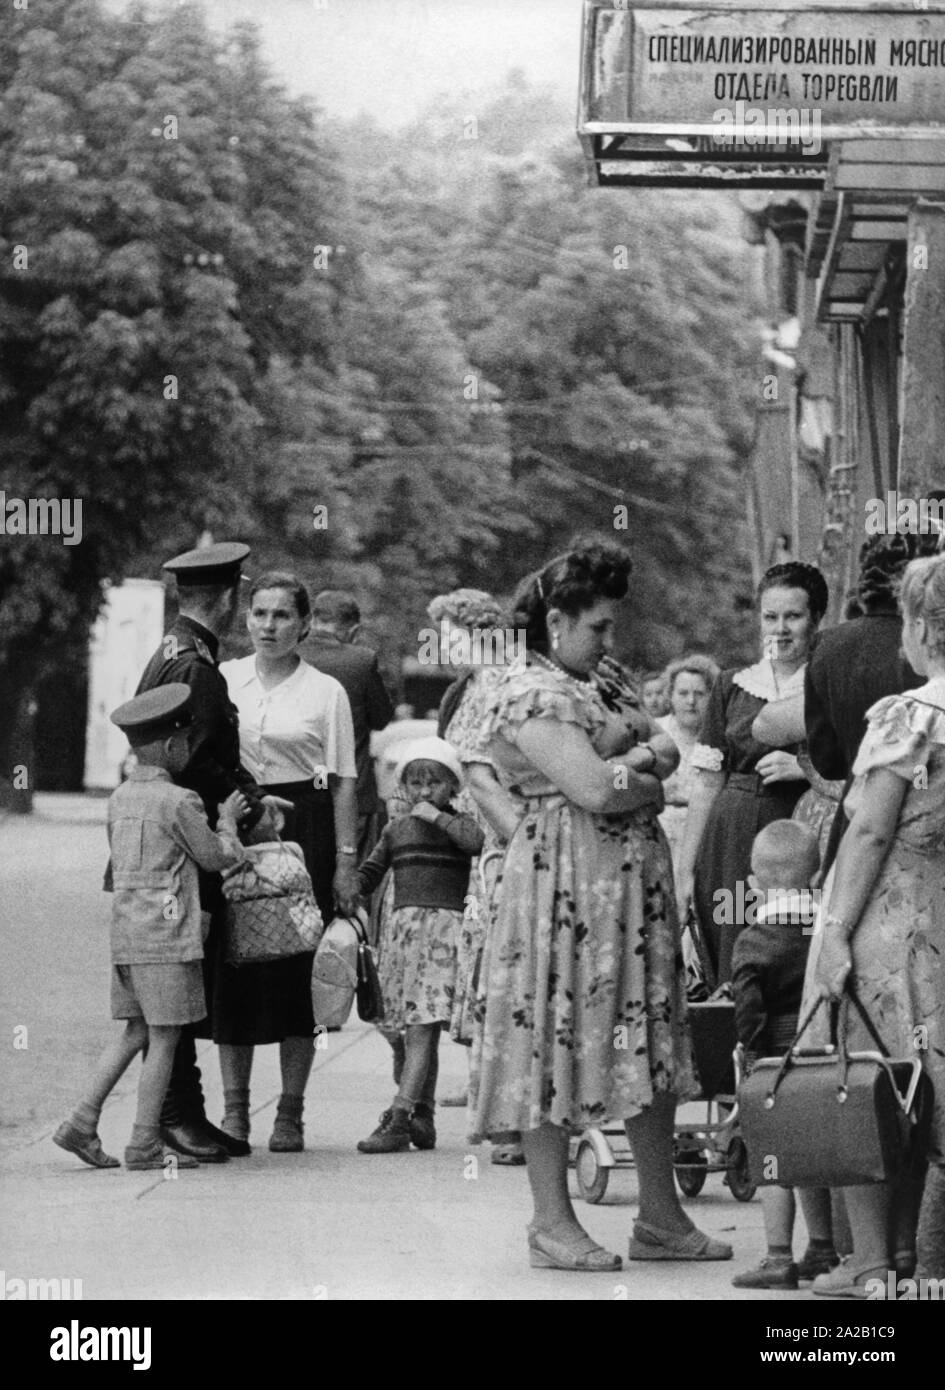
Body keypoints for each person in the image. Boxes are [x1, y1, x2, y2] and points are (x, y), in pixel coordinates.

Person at [470, 541, 731, 1272]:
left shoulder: (604, 678)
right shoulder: (527, 688)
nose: (609, 640)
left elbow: (661, 753)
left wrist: (633, 761)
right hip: (561, 889)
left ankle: (659, 1215)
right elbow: (593, 789)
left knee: (645, 1037)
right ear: (556, 621)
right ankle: (550, 1221)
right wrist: (636, 768)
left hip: (626, 891)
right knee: (551, 1037)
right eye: (598, 627)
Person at [809, 553, 945, 1294]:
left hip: (894, 929)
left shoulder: (910, 716)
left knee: (863, 1092)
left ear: (922, 626)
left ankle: (872, 1271)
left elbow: (865, 833)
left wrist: (830, 935)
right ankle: (925, 1265)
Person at [54, 687, 246, 1171]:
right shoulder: (180, 801)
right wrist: (229, 826)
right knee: (165, 1037)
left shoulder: (119, 799)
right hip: (168, 937)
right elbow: (213, 857)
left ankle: (81, 1120)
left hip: (128, 935)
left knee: (133, 1032)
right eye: (185, 741)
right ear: (171, 747)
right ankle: (143, 1141)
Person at [134, 541, 279, 1163]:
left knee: (183, 978)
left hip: (172, 845)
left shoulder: (176, 652)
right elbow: (194, 760)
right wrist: (245, 804)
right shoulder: (195, 667)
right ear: (228, 599)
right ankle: (175, 1115)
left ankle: (184, 1112)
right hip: (186, 848)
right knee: (181, 977)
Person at [218, 571, 359, 1152]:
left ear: (304, 624)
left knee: (300, 970)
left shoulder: (326, 692)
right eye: (259, 614)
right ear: (245, 619)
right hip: (239, 821)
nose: (268, 626)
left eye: (281, 616)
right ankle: (233, 1114)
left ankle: (291, 1111)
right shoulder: (225, 680)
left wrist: (346, 860)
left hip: (307, 823)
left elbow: (346, 780)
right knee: (236, 969)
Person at [676, 562, 828, 989]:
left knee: (795, 957)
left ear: (816, 619)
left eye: (793, 616)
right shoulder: (731, 685)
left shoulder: (827, 682)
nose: (780, 629)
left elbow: (854, 760)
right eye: (770, 617)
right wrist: (685, 873)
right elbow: (707, 783)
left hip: (802, 837)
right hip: (731, 840)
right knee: (734, 958)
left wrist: (803, 767)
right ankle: (735, 1052)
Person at [355, 737, 484, 1154]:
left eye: (434, 784)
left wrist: (437, 817)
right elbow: (371, 872)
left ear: (452, 788)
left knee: (422, 1031)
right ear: (403, 788)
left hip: (442, 936)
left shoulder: (458, 825)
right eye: (416, 784)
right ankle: (423, 1116)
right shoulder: (396, 829)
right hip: (404, 936)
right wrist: (345, 893)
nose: (424, 792)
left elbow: (475, 842)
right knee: (402, 1032)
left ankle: (399, 1115)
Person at [431, 589, 524, 1150]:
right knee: (488, 982)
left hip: (516, 844)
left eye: (450, 634)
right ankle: (497, 1108)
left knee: (512, 981)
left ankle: (518, 1117)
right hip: (487, 855)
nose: (444, 647)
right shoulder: (464, 692)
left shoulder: (508, 686)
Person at [730, 821, 836, 1289]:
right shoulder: (825, 933)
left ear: (754, 886)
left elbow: (749, 1013)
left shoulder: (752, 941)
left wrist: (749, 1064)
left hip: (775, 1064)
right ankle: (822, 1248)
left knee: (773, 1162)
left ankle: (777, 1257)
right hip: (825, 1059)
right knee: (812, 1156)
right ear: (815, 880)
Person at [804, 534, 922, 876]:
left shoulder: (828, 645)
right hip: (923, 817)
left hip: (855, 819)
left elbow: (825, 762)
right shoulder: (929, 646)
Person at [306, 590, 394, 860]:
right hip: (353, 794)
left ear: (311, 621)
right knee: (353, 879)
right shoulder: (361, 660)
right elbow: (382, 718)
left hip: (300, 793)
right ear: (354, 630)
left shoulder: (288, 655)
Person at [655, 655, 719, 873]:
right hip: (657, 832)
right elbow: (620, 774)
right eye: (682, 693)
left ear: (712, 697)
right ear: (670, 696)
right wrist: (622, 788)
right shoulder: (653, 731)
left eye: (699, 694)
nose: (691, 701)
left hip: (702, 837)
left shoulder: (720, 739)